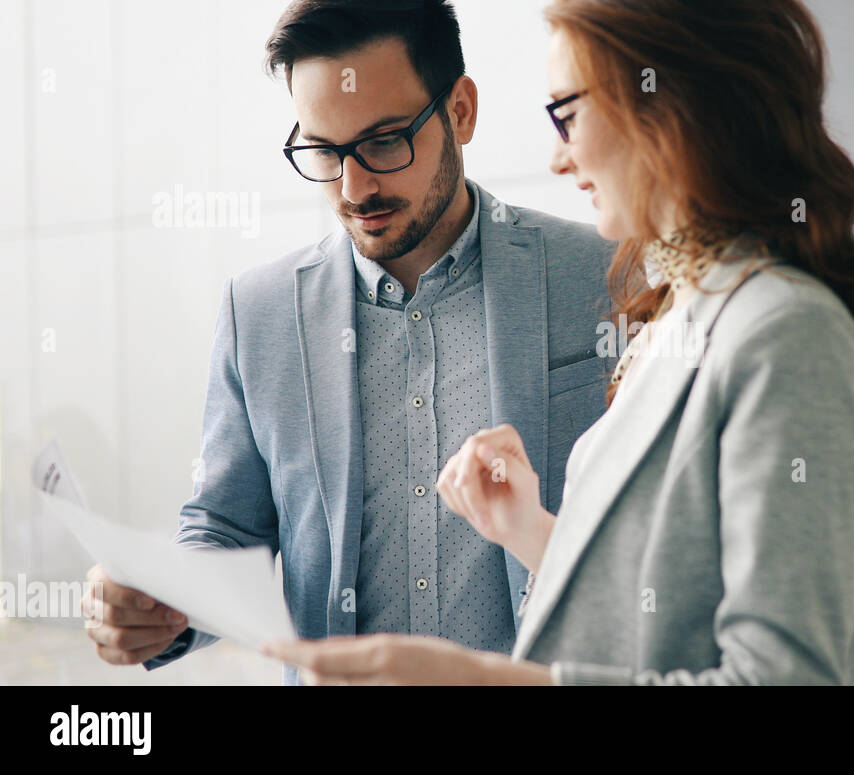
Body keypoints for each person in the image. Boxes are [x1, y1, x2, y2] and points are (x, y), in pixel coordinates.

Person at [263, 0, 854, 686]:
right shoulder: (681, 315)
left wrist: (485, 681)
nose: (558, 156)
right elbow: (669, 615)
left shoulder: (787, 333)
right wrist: (529, 529)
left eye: (568, 114)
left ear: (667, 105)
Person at [81, 0, 614, 685]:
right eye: (324, 151)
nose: (354, 187)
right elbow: (227, 525)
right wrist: (160, 600)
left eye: (385, 141)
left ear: (461, 111)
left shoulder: (599, 278)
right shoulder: (261, 313)